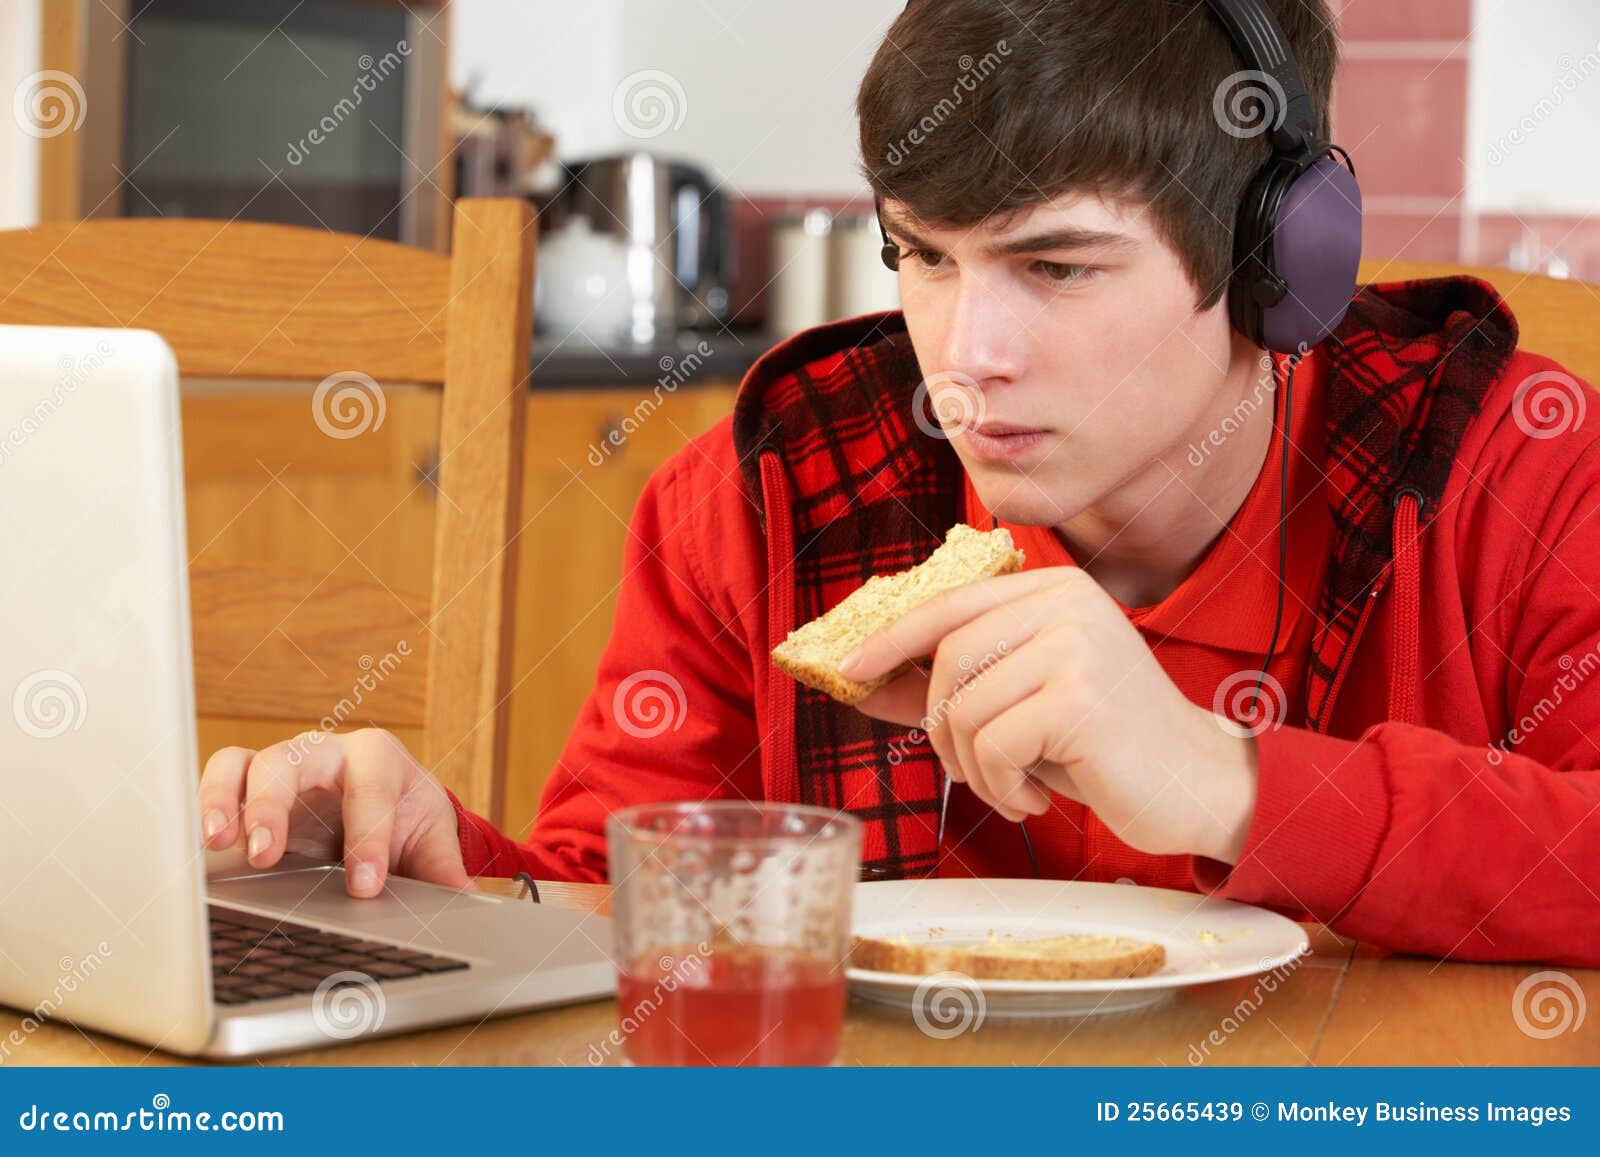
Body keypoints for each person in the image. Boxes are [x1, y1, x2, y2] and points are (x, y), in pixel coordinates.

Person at [199, 0, 1600, 967]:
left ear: (1275, 262)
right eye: (923, 255)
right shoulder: (758, 503)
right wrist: (440, 870)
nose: (965, 359)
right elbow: (615, 904)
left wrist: (1228, 779)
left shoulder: (1521, 468)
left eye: (1054, 266)